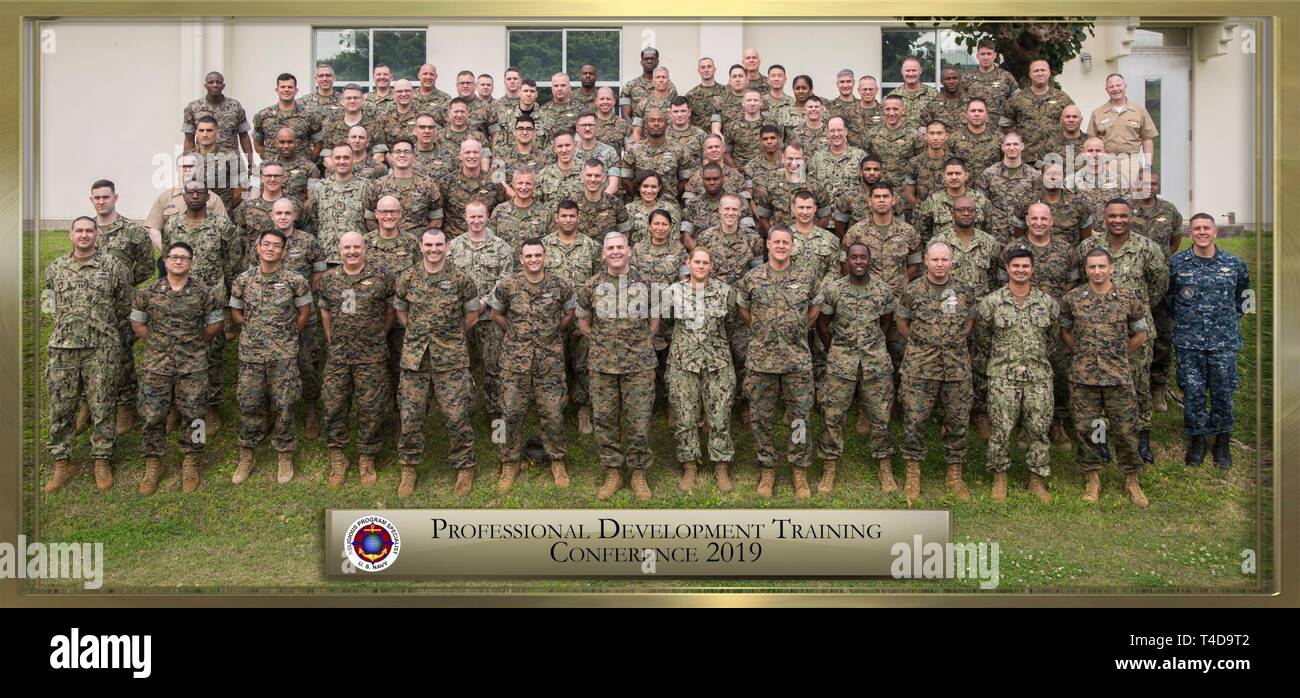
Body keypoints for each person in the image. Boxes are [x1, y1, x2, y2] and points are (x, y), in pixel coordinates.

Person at [42, 217, 133, 494]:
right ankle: (62, 461)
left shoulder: (113, 267)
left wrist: (102, 330)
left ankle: (101, 460)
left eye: (89, 230)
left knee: (102, 405)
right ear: (70, 235)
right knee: (61, 406)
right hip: (63, 348)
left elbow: (123, 306)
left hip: (101, 349)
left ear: (97, 235)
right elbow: (49, 307)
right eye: (79, 231)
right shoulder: (56, 268)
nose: (84, 235)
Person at [1078, 198, 1168, 463]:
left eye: (1122, 216)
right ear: (1103, 218)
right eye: (1111, 216)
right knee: (1098, 390)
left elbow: (1160, 284)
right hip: (1098, 333)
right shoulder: (1088, 247)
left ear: (1131, 217)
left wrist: (1138, 306)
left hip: (1136, 332)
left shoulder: (1147, 248)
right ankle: (1101, 440)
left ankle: (1142, 439)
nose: (1117, 220)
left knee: (1138, 384)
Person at [130, 241, 224, 494]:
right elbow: (138, 324)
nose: (179, 261)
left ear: (191, 262)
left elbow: (215, 324)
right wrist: (157, 343)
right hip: (156, 365)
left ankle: (192, 460)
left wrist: (195, 343)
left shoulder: (205, 293)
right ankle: (153, 463)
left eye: (184, 258)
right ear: (165, 261)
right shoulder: (147, 293)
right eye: (174, 257)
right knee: (152, 415)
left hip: (192, 365)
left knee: (195, 414)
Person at [1060, 247, 1151, 506]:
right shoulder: (1073, 298)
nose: (1097, 271)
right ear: (1086, 269)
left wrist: (1121, 355)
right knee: (1086, 428)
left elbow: (1140, 334)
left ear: (1112, 268)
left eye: (1102, 266)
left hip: (1118, 377)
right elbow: (1065, 330)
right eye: (1092, 267)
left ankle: (1132, 480)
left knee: (1125, 429)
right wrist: (1079, 352)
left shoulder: (1127, 298)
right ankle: (1093, 478)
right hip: (1084, 377)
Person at [393, 229, 480, 497]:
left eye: (438, 245)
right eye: (429, 245)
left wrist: (449, 337)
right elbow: (401, 311)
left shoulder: (461, 279)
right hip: (415, 359)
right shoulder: (407, 278)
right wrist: (420, 335)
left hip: (451, 358)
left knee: (456, 416)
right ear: (421, 246)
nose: (434, 249)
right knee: (410, 416)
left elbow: (472, 316)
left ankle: (465, 467)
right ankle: (408, 468)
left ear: (447, 246)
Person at [736, 226, 821, 498]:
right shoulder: (752, 278)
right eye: (777, 242)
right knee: (762, 419)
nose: (781, 246)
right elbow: (744, 310)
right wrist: (764, 331)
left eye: (786, 242)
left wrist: (796, 330)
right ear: (768, 245)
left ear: (793, 246)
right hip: (762, 361)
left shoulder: (806, 277)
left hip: (796, 361)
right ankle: (768, 468)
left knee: (799, 419)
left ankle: (799, 470)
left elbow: (814, 310)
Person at [577, 232, 659, 501]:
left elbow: (654, 321)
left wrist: (639, 344)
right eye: (610, 248)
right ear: (603, 254)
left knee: (639, 421)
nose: (615, 252)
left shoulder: (646, 284)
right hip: (603, 365)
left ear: (629, 250)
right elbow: (584, 324)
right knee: (604, 420)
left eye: (619, 247)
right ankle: (612, 471)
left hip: (639, 365)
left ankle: (638, 472)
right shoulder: (591, 286)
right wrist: (604, 342)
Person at [490, 238, 577, 491]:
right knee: (507, 414)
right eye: (529, 256)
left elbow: (569, 314)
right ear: (521, 258)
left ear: (545, 256)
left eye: (538, 255)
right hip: (514, 361)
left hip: (548, 361)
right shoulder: (507, 285)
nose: (534, 260)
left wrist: (550, 335)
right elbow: (497, 314)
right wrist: (517, 336)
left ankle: (557, 460)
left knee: (553, 413)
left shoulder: (559, 285)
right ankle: (508, 462)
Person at [228, 228, 313, 485]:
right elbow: (236, 310)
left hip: (283, 354)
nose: (270, 249)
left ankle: (284, 454)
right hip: (251, 354)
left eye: (276, 245)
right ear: (258, 247)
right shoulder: (243, 280)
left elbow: (304, 313)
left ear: (283, 251)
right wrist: (253, 329)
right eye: (266, 244)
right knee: (248, 403)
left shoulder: (295, 281)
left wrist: (285, 335)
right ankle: (247, 455)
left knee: (284, 405)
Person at [1166, 214, 1251, 469]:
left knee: (1223, 392)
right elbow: (1168, 299)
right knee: (1193, 393)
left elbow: (1246, 297)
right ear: (1190, 233)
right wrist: (1186, 320)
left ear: (1215, 232)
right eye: (1196, 228)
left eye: (1206, 228)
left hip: (1223, 342)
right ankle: (1198, 439)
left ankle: (1222, 440)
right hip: (1188, 342)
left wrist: (1229, 320)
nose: (1202, 232)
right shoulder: (1176, 264)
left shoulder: (1234, 264)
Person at [895, 241, 977, 504]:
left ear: (951, 261)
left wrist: (953, 342)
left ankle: (954, 474)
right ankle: (913, 473)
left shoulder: (964, 290)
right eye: (935, 260)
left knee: (957, 421)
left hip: (956, 368)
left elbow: (970, 321)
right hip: (920, 367)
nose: (940, 264)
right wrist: (922, 345)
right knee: (914, 421)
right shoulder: (912, 290)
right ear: (927, 261)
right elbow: (901, 322)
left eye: (945, 260)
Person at [976, 248, 1060, 503]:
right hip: (1003, 376)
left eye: (1025, 266)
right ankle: (1000, 476)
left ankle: (1037, 477)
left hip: (1038, 376)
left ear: (1032, 269)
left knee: (1039, 429)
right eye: (1016, 266)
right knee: (1000, 429)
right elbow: (983, 338)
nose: (1021, 270)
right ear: (1007, 269)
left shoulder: (1048, 304)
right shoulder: (991, 303)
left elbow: (1052, 341)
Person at [815, 242, 898, 494]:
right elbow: (822, 325)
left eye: (863, 257)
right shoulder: (833, 290)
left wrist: (869, 344)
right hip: (841, 362)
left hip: (875, 363)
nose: (859, 261)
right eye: (854, 258)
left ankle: (885, 467)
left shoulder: (883, 290)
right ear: (847, 261)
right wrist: (838, 348)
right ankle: (829, 468)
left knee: (881, 415)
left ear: (869, 260)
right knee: (833, 416)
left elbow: (886, 324)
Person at [160, 179, 241, 431]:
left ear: (208, 197)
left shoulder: (221, 225)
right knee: (176, 353)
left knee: (212, 354)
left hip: (211, 298)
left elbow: (233, 259)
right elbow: (167, 258)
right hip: (178, 299)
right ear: (183, 197)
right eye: (190, 192)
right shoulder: (172, 224)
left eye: (200, 192)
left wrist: (225, 297)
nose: (195, 195)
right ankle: (176, 406)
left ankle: (212, 406)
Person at [317, 231, 395, 487]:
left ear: (364, 248)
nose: (352, 252)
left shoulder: (382, 276)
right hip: (339, 355)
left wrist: (379, 334)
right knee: (333, 406)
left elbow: (390, 309)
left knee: (371, 407)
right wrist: (331, 340)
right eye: (347, 247)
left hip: (371, 355)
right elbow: (325, 312)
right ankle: (338, 456)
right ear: (339, 250)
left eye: (356, 247)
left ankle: (366, 456)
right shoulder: (329, 280)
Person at [247, 199, 326, 440]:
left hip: (302, 314)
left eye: (287, 213)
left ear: (294, 215)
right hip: (268, 318)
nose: (283, 217)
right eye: (279, 213)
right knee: (268, 367)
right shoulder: (262, 243)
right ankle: (271, 412)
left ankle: (311, 409)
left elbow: (319, 271)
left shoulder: (307, 241)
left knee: (306, 362)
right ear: (271, 215)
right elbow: (251, 275)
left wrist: (304, 296)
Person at [1003, 203, 1080, 447]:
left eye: (1043, 218)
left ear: (1051, 221)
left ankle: (1057, 424)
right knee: (1026, 374)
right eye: (1034, 218)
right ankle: (1028, 426)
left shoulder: (1065, 250)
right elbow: (1001, 284)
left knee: (1059, 374)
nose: (1038, 222)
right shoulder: (1013, 249)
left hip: (1054, 324)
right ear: (1026, 220)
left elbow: (1071, 284)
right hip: (1021, 324)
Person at [666, 246, 738, 492]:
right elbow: (666, 323)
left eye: (705, 262)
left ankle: (721, 467)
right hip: (683, 363)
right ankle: (689, 467)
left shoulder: (725, 292)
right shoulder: (673, 292)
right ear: (688, 263)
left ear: (711, 266)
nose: (701, 266)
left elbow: (731, 321)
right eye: (696, 261)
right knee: (685, 418)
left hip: (717, 363)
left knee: (719, 417)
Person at [89, 179, 153, 435]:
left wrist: (122, 284)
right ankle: (89, 404)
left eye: (106, 196)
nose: (102, 201)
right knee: (89, 354)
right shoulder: (86, 229)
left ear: (116, 197)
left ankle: (126, 406)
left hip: (121, 307)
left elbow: (148, 265)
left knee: (123, 356)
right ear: (91, 200)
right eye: (97, 197)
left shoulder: (132, 231)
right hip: (91, 307)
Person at [448, 200, 515, 418]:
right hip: (462, 317)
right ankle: (463, 410)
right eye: (472, 216)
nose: (476, 221)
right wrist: (466, 306)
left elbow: (505, 279)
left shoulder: (501, 247)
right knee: (460, 366)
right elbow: (448, 278)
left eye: (480, 216)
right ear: (465, 218)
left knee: (493, 366)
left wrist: (484, 302)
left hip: (489, 318)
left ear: (487, 217)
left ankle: (495, 411)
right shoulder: (454, 247)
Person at [542, 200, 602, 433]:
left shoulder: (590, 247)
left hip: (581, 317)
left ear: (579, 218)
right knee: (553, 365)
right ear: (556, 217)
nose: (568, 220)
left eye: (572, 216)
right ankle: (554, 412)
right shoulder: (545, 246)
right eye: (564, 216)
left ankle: (584, 409)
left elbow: (600, 282)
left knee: (583, 365)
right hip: (552, 316)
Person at [1129, 170, 1184, 411]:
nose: (1149, 186)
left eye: (1153, 183)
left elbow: (1175, 239)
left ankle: (1157, 387)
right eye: (1144, 182)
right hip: (1133, 282)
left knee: (1162, 336)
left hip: (1161, 283)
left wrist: (1164, 259)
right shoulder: (1127, 209)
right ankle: (1130, 385)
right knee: (1131, 336)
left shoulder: (1169, 210)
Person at [363, 196, 421, 401]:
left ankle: (400, 414)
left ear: (400, 214)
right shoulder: (365, 243)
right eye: (384, 212)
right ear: (377, 214)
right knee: (373, 369)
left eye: (393, 212)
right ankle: (376, 413)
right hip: (372, 317)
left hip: (401, 318)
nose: (389, 216)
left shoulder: (412, 243)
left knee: (401, 366)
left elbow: (419, 277)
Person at [362, 138, 443, 236]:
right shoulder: (377, 186)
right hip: (387, 245)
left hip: (418, 246)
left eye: (407, 152)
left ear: (413, 156)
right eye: (398, 152)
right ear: (391, 156)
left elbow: (436, 219)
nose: (402, 155)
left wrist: (423, 241)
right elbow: (370, 220)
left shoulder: (428, 185)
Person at [182, 71, 255, 179]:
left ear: (223, 85)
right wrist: (188, 165)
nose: (215, 85)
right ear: (205, 86)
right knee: (203, 195)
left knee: (236, 195)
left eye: (218, 82)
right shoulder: (193, 108)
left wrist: (251, 163)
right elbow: (189, 139)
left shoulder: (235, 106)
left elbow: (244, 137)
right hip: (204, 165)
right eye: (211, 82)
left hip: (232, 165)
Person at [1005, 59, 1075, 167]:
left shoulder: (1062, 98)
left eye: (1043, 70)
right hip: (1027, 159)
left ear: (1049, 73)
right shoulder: (1017, 99)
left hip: (1056, 158)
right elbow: (1005, 126)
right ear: (1030, 74)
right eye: (1036, 71)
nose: (1040, 73)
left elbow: (1073, 123)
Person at [308, 143, 369, 266]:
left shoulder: (366, 187)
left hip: (355, 258)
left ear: (353, 159)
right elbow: (314, 219)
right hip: (326, 257)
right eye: (338, 158)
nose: (342, 161)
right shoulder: (320, 188)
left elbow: (370, 222)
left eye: (346, 157)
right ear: (332, 159)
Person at [1087, 73, 1157, 171]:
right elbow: (1091, 141)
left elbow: (1147, 139)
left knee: (1133, 186)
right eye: (1111, 86)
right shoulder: (1097, 113)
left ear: (1125, 86)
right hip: (1105, 164)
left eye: (1118, 85)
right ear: (1106, 89)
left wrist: (1148, 166)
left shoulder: (1139, 111)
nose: (1115, 89)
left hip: (1132, 164)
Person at [982, 131, 1041, 243]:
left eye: (1015, 144)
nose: (1012, 148)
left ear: (1022, 146)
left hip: (1023, 234)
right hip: (995, 235)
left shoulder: (1034, 175)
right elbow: (981, 204)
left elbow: (1037, 206)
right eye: (1008, 145)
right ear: (1002, 147)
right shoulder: (989, 173)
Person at [914, 157, 991, 243]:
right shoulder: (932, 202)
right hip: (942, 254)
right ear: (944, 176)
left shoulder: (980, 201)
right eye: (950, 174)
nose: (954, 177)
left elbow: (988, 230)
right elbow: (923, 232)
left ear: (966, 176)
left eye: (958, 173)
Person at [441, 139, 507, 237]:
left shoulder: (494, 183)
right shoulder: (447, 183)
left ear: (481, 155)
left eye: (475, 152)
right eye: (467, 152)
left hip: (486, 243)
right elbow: (439, 216)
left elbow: (500, 214)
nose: (471, 156)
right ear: (460, 156)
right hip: (454, 243)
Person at [251, 72, 323, 162]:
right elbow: (258, 144)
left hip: (301, 171)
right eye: (283, 87)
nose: (286, 90)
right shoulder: (263, 115)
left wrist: (307, 164)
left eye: (290, 87)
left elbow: (318, 145)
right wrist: (269, 161)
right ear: (277, 90)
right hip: (274, 172)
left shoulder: (310, 115)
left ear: (296, 90)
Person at [621, 108, 688, 196]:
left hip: (669, 203)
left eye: (660, 121)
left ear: (666, 124)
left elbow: (685, 179)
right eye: (652, 121)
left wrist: (673, 196)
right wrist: (641, 197)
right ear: (646, 124)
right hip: (641, 203)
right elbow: (625, 179)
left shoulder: (679, 149)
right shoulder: (633, 150)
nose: (656, 124)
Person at [490, 166, 553, 252]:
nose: (523, 187)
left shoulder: (545, 213)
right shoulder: (499, 211)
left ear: (535, 185)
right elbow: (491, 242)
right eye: (520, 183)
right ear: (513, 184)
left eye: (528, 183)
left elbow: (551, 245)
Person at [948, 98, 1003, 191]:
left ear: (987, 114)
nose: (977, 114)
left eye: (980, 111)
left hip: (991, 191)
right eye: (973, 111)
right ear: (966, 114)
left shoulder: (999, 138)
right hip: (962, 192)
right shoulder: (954, 139)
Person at [961, 39, 1019, 127]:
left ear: (995, 55)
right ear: (977, 56)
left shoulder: (1006, 76)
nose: (985, 57)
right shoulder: (967, 77)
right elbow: (960, 102)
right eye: (982, 54)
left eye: (989, 54)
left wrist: (1008, 121)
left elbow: (1018, 100)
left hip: (1000, 128)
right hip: (975, 127)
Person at [625, 170, 682, 246]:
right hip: (636, 254)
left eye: (653, 187)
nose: (649, 191)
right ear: (639, 187)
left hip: (665, 254)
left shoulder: (670, 209)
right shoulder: (629, 209)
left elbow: (675, 239)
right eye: (645, 186)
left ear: (659, 188)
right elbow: (625, 239)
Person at [887, 56, 938, 131]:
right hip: (900, 141)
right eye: (907, 71)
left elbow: (940, 122)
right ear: (902, 72)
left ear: (920, 71)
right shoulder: (892, 96)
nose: (910, 74)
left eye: (914, 70)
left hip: (926, 140)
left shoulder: (933, 95)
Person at [686, 57, 726, 132]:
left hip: (722, 137)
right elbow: (687, 120)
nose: (706, 70)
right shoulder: (691, 95)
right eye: (703, 67)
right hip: (700, 138)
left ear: (714, 69)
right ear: (699, 71)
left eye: (709, 67)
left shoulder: (726, 92)